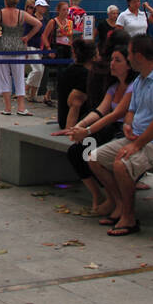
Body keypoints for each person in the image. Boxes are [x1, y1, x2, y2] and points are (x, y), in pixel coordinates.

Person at [87, 34, 153, 236]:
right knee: (94, 158)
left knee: (122, 165)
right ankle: (120, 204)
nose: (128, 59)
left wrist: (136, 145)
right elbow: (132, 109)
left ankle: (128, 217)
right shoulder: (140, 80)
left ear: (138, 56)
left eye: (128, 54)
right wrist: (128, 124)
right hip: (138, 137)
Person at [53, 43, 138, 214]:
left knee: (95, 154)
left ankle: (116, 199)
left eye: (117, 60)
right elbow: (100, 110)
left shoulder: (133, 87)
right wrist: (78, 127)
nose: (112, 64)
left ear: (128, 65)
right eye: (112, 59)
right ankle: (98, 194)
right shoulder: (113, 87)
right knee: (77, 152)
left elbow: (115, 114)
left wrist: (87, 131)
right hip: (109, 127)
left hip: (124, 131)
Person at [0, 0, 40, 116]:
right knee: (19, 76)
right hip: (18, 47)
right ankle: (21, 107)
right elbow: (38, 24)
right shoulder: (21, 14)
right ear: (17, 0)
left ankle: (7, 107)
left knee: (3, 77)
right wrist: (27, 37)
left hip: (1, 47)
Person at [57, 38, 94, 130]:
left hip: (63, 118)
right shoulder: (85, 74)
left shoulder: (67, 71)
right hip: (77, 121)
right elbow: (76, 103)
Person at [41, 1, 73, 107]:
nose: (66, 12)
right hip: (56, 49)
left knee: (64, 73)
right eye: (63, 10)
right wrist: (49, 49)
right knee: (54, 73)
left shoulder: (69, 22)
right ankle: (48, 94)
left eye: (67, 10)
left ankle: (56, 95)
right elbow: (44, 36)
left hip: (66, 49)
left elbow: (71, 37)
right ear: (58, 10)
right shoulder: (53, 22)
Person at [23, 0, 50, 103]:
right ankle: (25, 89)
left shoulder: (45, 20)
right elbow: (25, 34)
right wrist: (24, 49)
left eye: (45, 7)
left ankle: (33, 94)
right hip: (31, 46)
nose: (44, 9)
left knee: (41, 71)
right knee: (37, 69)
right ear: (37, 7)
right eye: (42, 6)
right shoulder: (31, 19)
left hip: (40, 47)